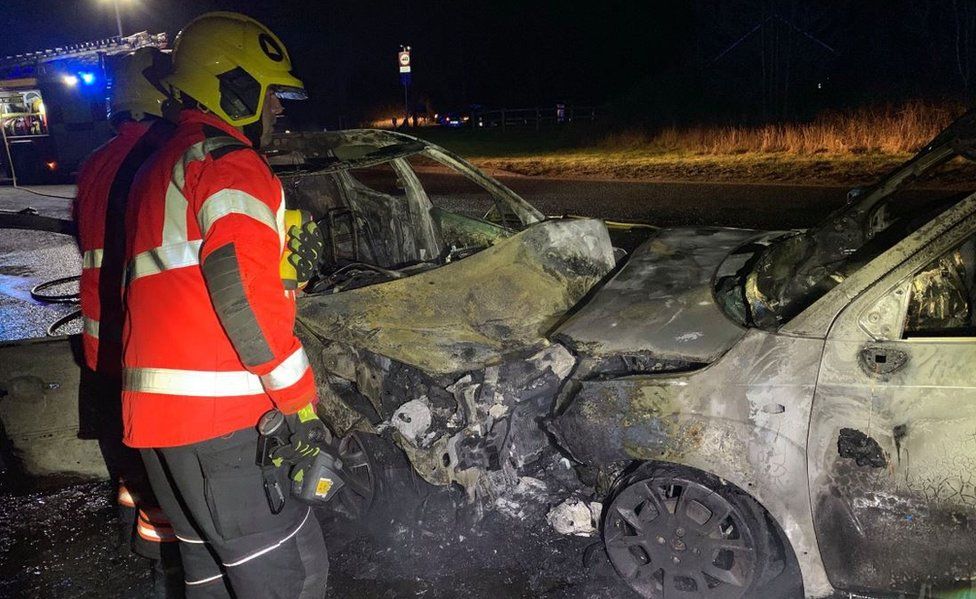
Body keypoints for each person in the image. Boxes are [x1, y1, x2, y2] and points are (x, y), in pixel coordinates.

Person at [121, 12, 328, 598]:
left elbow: (186, 285)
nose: (279, 109)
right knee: (293, 578)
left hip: (163, 426)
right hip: (222, 422)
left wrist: (287, 273)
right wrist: (299, 407)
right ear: (235, 86)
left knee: (210, 579)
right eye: (273, 94)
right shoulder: (230, 161)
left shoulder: (163, 164)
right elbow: (240, 295)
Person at [73, 47, 182, 597]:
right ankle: (171, 574)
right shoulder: (164, 161)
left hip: (100, 352)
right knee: (169, 484)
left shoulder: (95, 163)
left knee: (130, 474)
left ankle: (139, 550)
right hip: (148, 354)